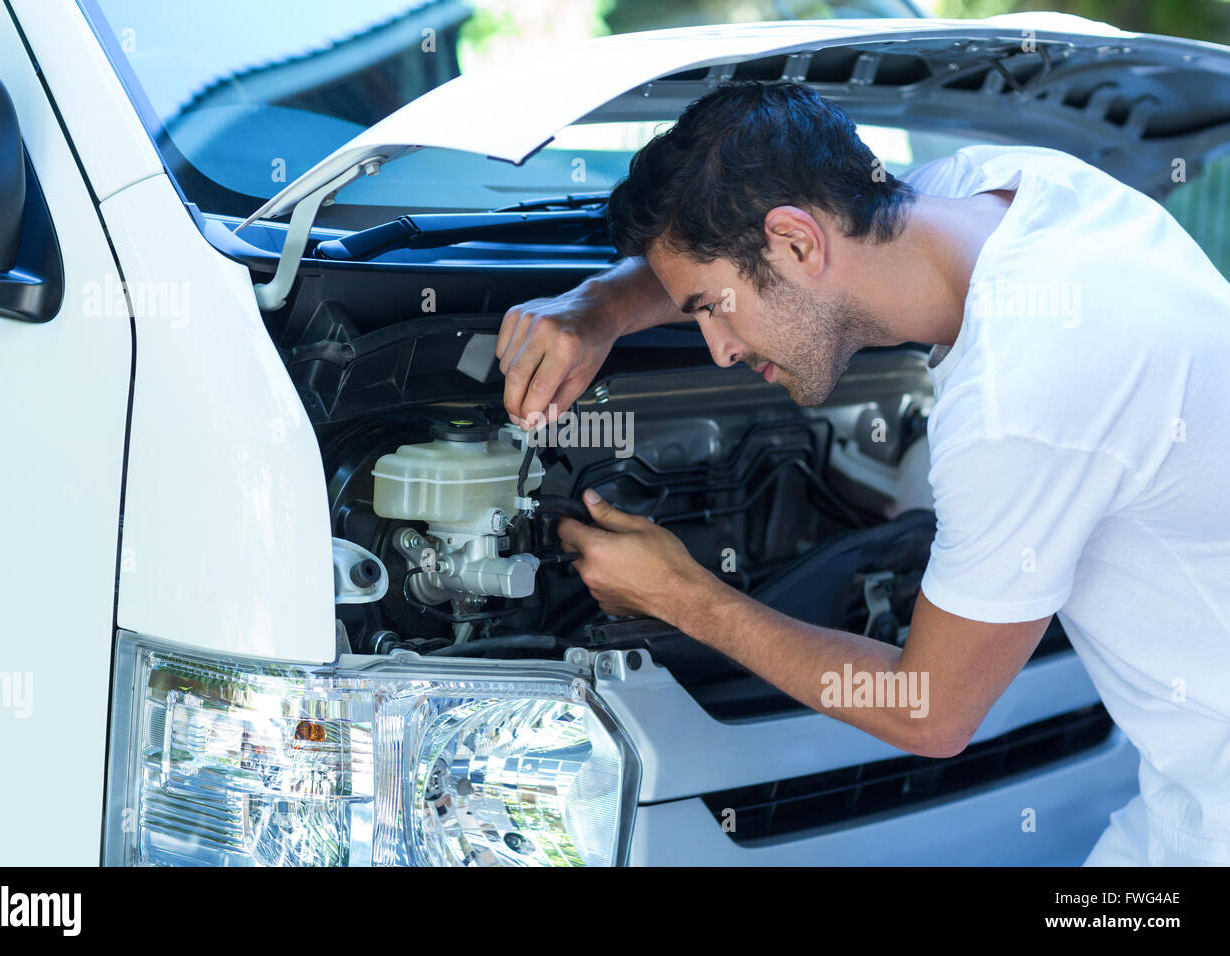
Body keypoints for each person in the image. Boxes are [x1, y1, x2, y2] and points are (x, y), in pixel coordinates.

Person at [494, 82, 1230, 866]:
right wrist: (600, 307)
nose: (719, 349)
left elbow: (929, 712)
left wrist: (680, 596)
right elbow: (733, 250)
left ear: (801, 244)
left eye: (713, 308)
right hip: (1185, 798)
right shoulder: (1002, 189)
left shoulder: (1023, 392)